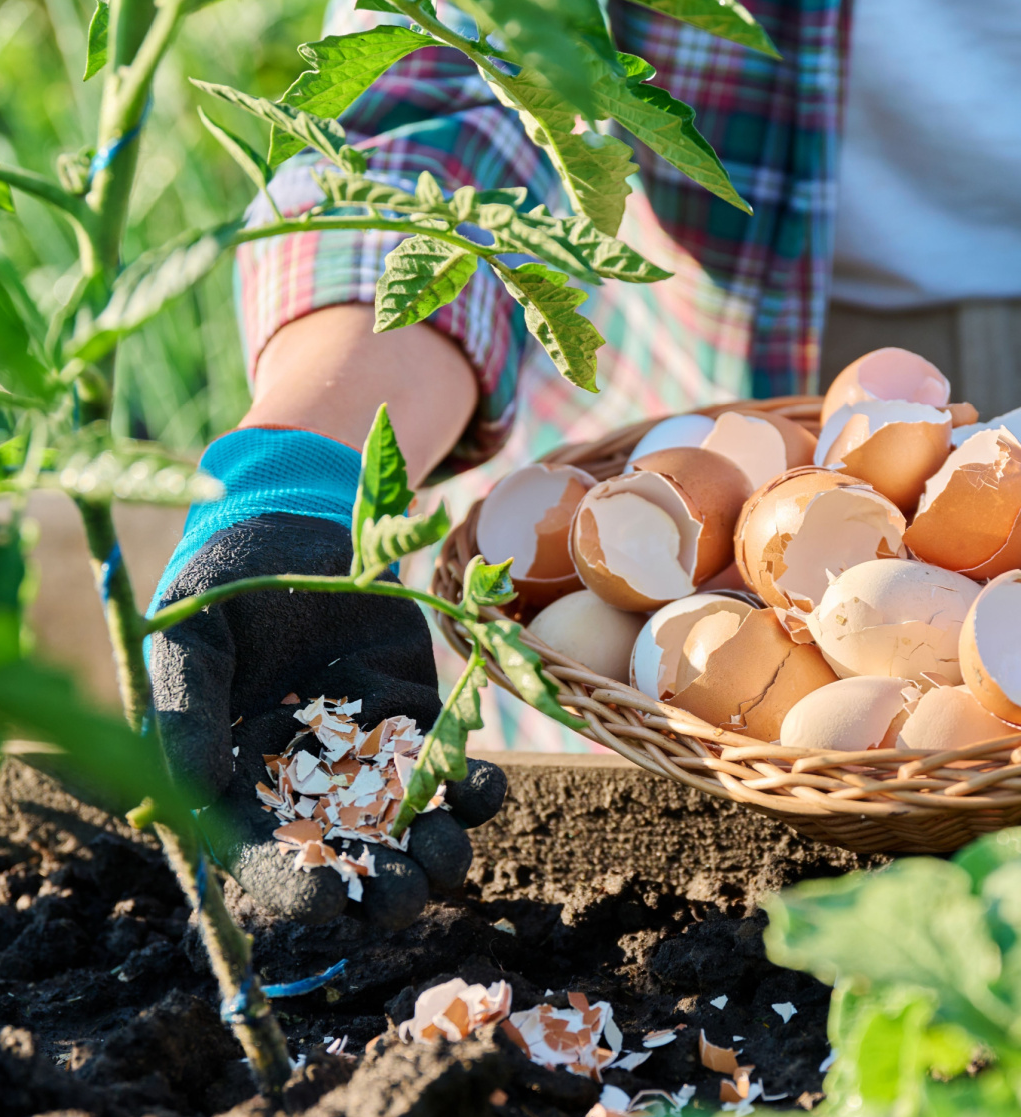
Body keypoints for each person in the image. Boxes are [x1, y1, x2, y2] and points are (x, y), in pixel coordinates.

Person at [146, 0, 1021, 929]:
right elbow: (457, 85)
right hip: (718, 377)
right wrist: (304, 471)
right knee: (641, 784)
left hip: (863, 438)